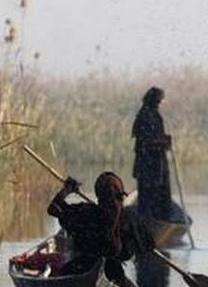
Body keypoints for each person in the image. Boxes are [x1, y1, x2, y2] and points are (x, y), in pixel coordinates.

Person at [46, 171, 139, 275]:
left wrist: (66, 190)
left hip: (91, 270)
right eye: (110, 196)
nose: (113, 203)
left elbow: (54, 209)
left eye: (116, 197)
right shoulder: (86, 214)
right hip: (92, 270)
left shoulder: (86, 213)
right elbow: (54, 209)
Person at [130, 86, 174, 219]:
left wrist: (163, 140)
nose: (161, 103)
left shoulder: (151, 114)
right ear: (154, 100)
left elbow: (153, 137)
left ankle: (157, 220)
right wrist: (163, 143)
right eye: (160, 100)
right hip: (148, 168)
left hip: (154, 167)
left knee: (156, 198)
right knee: (148, 199)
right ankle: (150, 222)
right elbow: (145, 142)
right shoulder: (146, 116)